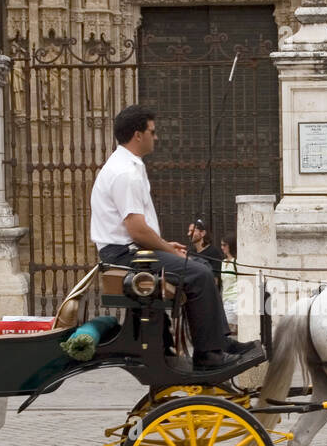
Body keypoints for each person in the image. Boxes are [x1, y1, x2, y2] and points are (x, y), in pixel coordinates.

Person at [90, 104, 255, 370]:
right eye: (152, 132)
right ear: (137, 135)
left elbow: (138, 230)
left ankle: (219, 343)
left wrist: (167, 248)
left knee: (203, 266)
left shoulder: (127, 167)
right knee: (199, 275)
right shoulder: (125, 172)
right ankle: (208, 355)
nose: (156, 138)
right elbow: (136, 229)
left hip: (134, 252)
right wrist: (167, 247)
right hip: (126, 256)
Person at [220, 233, 239, 335]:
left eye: (224, 245)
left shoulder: (237, 262)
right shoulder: (223, 262)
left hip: (236, 301)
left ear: (231, 245)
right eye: (221, 245)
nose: (222, 247)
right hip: (226, 300)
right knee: (228, 331)